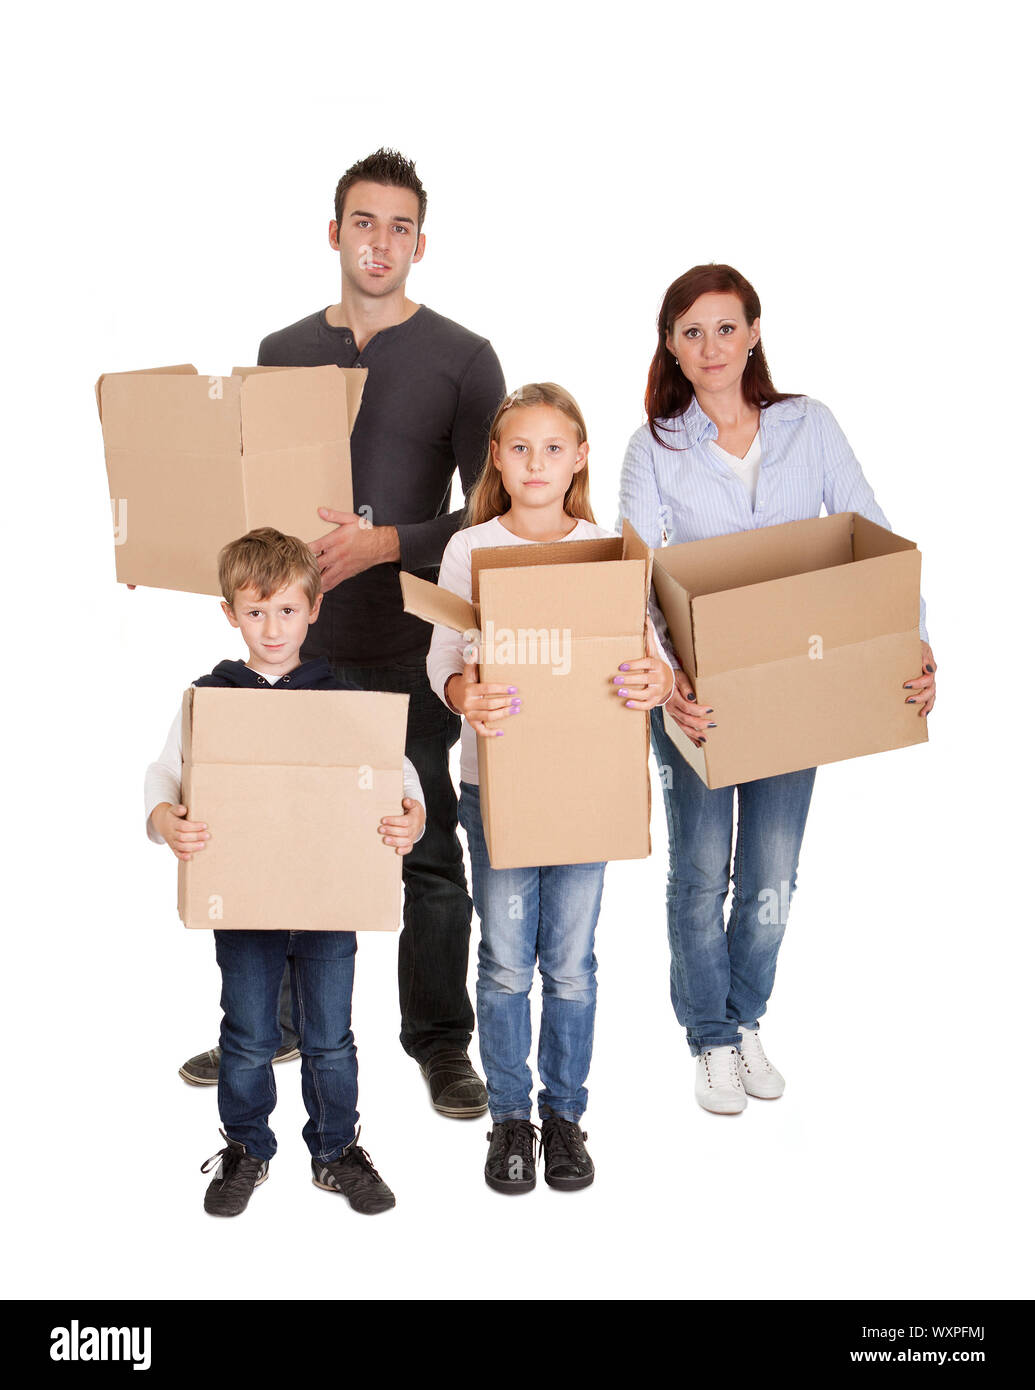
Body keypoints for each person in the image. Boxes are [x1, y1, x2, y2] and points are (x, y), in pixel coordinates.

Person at [179, 149, 506, 1118]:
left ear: (419, 243)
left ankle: (441, 1044)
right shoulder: (281, 351)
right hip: (297, 647)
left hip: (410, 643)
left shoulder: (463, 356)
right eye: (365, 222)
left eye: (400, 226)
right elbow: (257, 498)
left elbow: (494, 509)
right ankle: (274, 1024)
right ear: (335, 233)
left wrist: (389, 544)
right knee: (283, 830)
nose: (381, 241)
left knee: (426, 844)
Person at [619, 264, 937, 1116]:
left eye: (725, 327)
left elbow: (872, 532)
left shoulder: (808, 424)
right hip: (700, 698)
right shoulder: (653, 447)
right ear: (671, 348)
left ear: (754, 332)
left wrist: (914, 643)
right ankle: (711, 1040)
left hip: (796, 685)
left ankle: (744, 1016)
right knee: (698, 873)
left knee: (770, 877)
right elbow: (634, 577)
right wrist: (666, 680)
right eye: (690, 332)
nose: (709, 347)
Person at [427, 383, 674, 1191]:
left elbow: (650, 662)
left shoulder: (608, 548)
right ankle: (509, 1121)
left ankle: (564, 1118)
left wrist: (655, 679)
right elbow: (442, 661)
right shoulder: (472, 549)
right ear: (496, 457)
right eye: (520, 448)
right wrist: (465, 694)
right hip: (494, 784)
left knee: (569, 964)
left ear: (580, 457)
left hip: (584, 786)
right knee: (503, 961)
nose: (537, 463)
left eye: (554, 447)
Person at [147, 528, 426, 1215]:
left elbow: (396, 770)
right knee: (246, 1035)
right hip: (245, 904)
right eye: (254, 611)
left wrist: (410, 813)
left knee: (330, 1036)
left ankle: (335, 1151)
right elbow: (164, 773)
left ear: (314, 610)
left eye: (287, 611)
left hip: (328, 902)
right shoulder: (210, 697)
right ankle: (246, 1148)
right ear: (229, 614)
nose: (272, 628)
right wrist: (164, 819)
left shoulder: (340, 693)